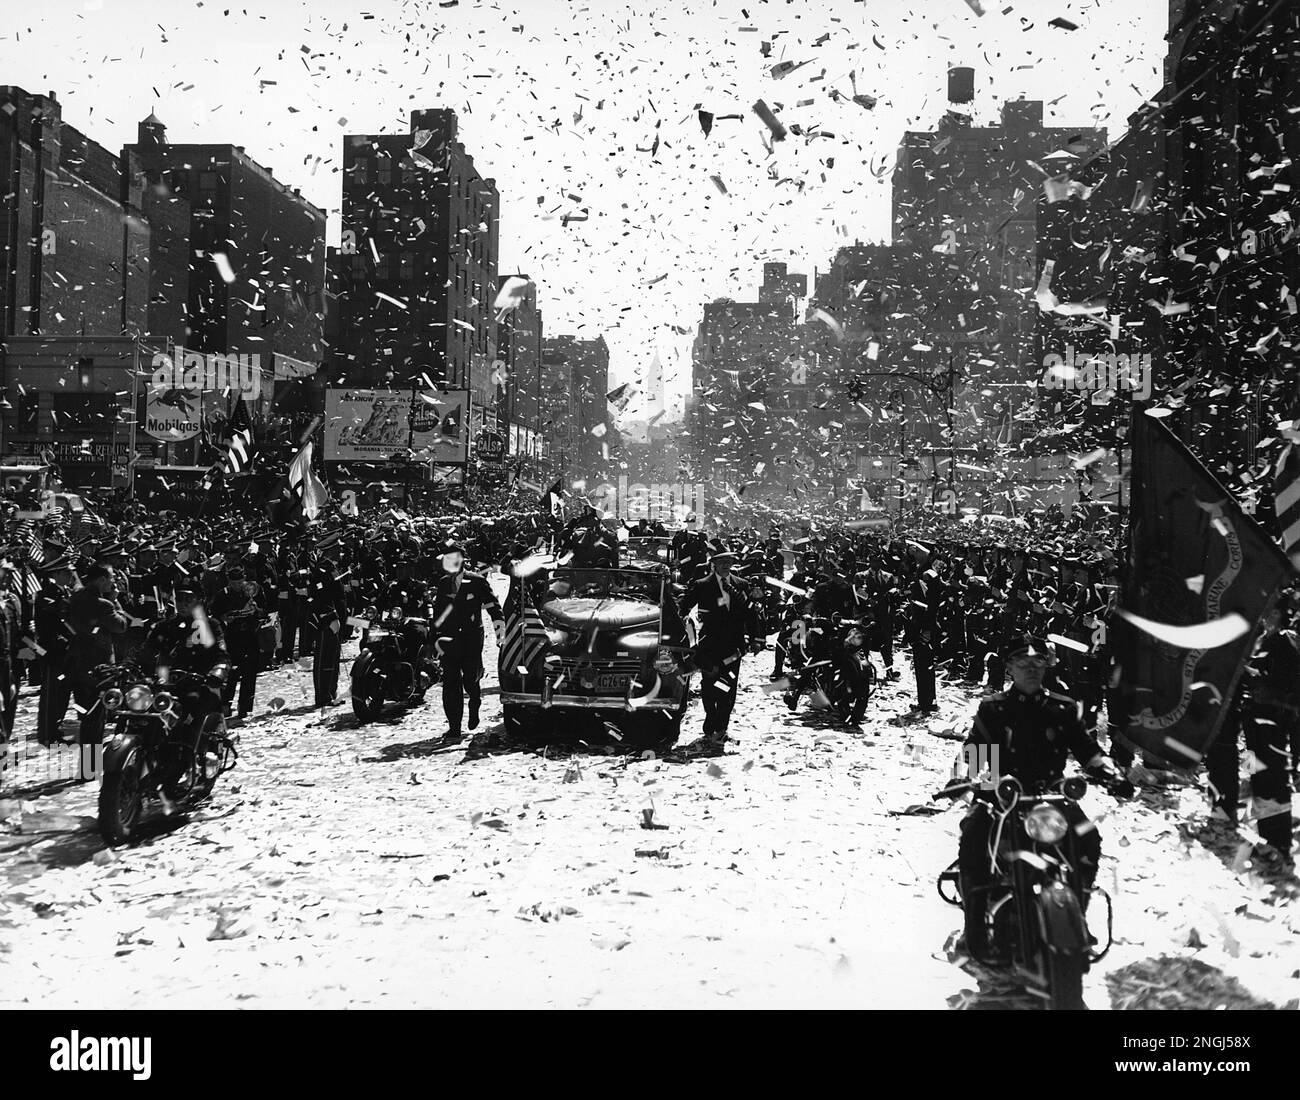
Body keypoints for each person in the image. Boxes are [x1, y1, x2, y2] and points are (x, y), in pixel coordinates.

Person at [955, 635, 1130, 959]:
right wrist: (983, 780)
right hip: (1003, 798)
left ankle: (1076, 914)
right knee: (974, 837)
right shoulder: (993, 708)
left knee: (1088, 840)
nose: (1032, 670)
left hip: (1051, 799)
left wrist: (1111, 773)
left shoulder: (1062, 707)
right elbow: (975, 751)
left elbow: (1088, 751)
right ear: (1009, 668)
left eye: (1038, 663)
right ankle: (974, 926)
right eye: (1023, 664)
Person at [678, 548, 763, 755]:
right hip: (709, 645)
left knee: (729, 685)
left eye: (729, 562)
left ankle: (721, 728)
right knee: (709, 684)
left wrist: (756, 639)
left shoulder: (742, 585)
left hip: (733, 646)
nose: (726, 565)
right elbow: (683, 607)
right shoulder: (702, 585)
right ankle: (710, 722)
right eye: (722, 562)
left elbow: (752, 615)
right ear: (713, 564)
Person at [45, 562, 129, 753]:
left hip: (77, 665)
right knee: (97, 718)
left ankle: (86, 767)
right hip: (101, 669)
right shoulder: (105, 605)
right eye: (111, 578)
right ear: (101, 580)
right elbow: (121, 626)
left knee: (84, 715)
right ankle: (90, 767)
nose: (113, 581)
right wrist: (116, 601)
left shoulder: (75, 598)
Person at [427, 543, 504, 742]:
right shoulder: (444, 583)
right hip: (449, 639)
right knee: (451, 682)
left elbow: (492, 606)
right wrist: (432, 638)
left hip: (471, 638)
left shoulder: (477, 581)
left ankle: (475, 701)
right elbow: (438, 613)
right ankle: (454, 726)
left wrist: (500, 631)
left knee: (470, 678)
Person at [210, 564, 265, 720]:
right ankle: (226, 704)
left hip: (249, 636)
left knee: (250, 673)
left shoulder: (250, 592)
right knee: (231, 674)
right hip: (231, 638)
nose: (236, 586)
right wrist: (224, 618)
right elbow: (214, 616)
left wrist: (257, 610)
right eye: (233, 583)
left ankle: (245, 706)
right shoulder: (222, 595)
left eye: (239, 582)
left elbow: (264, 611)